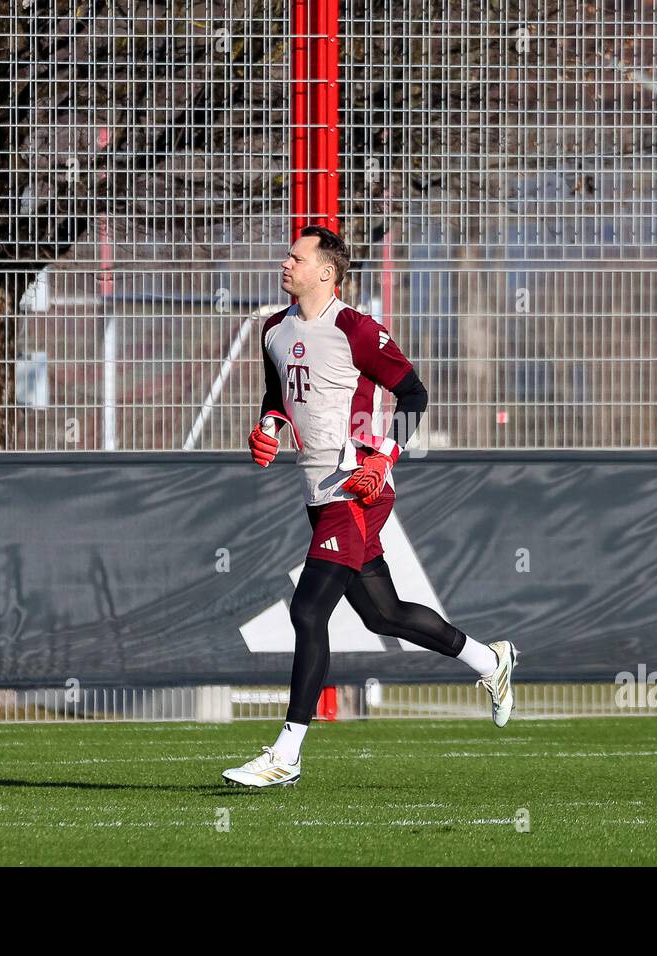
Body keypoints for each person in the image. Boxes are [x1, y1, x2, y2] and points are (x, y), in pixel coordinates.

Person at [222, 225, 518, 788]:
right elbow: (278, 396)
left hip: (356, 492)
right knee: (383, 614)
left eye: (296, 257)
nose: (285, 263)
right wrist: (265, 425)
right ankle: (490, 661)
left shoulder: (355, 328)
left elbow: (415, 395)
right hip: (316, 491)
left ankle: (287, 752)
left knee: (308, 612)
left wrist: (382, 458)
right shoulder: (273, 330)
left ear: (326, 273)